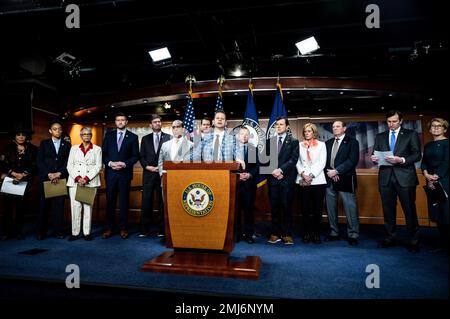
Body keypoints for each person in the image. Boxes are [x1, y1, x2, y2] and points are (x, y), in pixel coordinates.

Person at [371, 110, 422, 252]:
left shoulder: (410, 134)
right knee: (388, 211)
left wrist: (402, 160)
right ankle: (390, 238)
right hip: (385, 177)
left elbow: (417, 155)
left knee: (409, 210)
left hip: (405, 177)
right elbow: (374, 154)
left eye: (394, 121)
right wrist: (373, 158)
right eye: (389, 121)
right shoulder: (380, 136)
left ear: (400, 121)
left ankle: (413, 240)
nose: (391, 124)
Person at [102, 112, 139, 239]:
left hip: (124, 174)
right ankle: (109, 228)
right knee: (110, 202)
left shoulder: (133, 137)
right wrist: (111, 163)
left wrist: (124, 164)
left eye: (123, 120)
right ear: (115, 122)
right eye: (118, 120)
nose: (120, 122)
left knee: (124, 202)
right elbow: (104, 154)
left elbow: (135, 156)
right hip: (111, 173)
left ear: (126, 122)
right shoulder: (109, 135)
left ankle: (123, 228)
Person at [324, 121, 360, 245]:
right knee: (330, 208)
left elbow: (352, 160)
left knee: (350, 208)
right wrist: (331, 172)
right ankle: (334, 232)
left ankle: (353, 234)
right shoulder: (327, 143)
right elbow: (323, 160)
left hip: (345, 178)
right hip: (330, 179)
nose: (335, 128)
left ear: (344, 128)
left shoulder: (352, 142)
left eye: (338, 126)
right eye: (333, 127)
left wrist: (337, 171)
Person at [0, 125, 38, 240]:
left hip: (24, 182)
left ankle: (18, 232)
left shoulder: (33, 149)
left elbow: (35, 165)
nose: (21, 137)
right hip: (10, 180)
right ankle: (7, 232)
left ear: (27, 136)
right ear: (14, 136)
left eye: (23, 134)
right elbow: (2, 164)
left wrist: (23, 174)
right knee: (7, 208)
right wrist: (13, 173)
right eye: (18, 134)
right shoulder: (7, 148)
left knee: (21, 209)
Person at [36, 120, 71, 240]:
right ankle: (41, 232)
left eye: (60, 129)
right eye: (55, 129)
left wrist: (59, 173)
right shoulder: (44, 143)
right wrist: (49, 174)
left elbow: (68, 162)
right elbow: (39, 161)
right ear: (50, 131)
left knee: (59, 207)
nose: (58, 131)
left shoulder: (66, 145)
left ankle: (58, 231)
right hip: (46, 179)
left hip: (60, 178)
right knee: (43, 206)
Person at [267, 116, 299, 245]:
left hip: (286, 179)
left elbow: (293, 159)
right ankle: (275, 233)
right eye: (277, 125)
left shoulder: (293, 141)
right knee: (274, 208)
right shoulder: (269, 141)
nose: (278, 127)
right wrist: (274, 171)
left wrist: (281, 170)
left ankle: (286, 234)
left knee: (286, 208)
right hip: (273, 180)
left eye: (281, 124)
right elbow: (265, 160)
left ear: (287, 127)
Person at [66, 127, 102, 241]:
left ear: (91, 136)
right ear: (81, 136)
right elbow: (69, 165)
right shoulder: (74, 148)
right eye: (84, 134)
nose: (86, 136)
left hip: (90, 182)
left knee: (87, 207)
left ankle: (87, 233)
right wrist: (77, 178)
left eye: (88, 134)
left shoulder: (97, 149)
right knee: (75, 207)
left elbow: (98, 166)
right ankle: (75, 233)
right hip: (75, 182)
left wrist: (86, 178)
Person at [139, 114, 171, 238]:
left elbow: (170, 155)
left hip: (162, 173)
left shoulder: (168, 137)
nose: (157, 123)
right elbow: (141, 156)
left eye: (159, 122)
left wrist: (161, 167)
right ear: (150, 125)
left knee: (161, 202)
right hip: (148, 173)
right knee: (146, 201)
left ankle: (161, 230)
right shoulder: (145, 139)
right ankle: (144, 229)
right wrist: (147, 166)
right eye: (155, 122)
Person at [296, 123, 327, 244]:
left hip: (318, 181)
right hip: (303, 180)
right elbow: (297, 162)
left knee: (317, 210)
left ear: (314, 132)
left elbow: (322, 163)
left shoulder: (321, 145)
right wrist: (303, 174)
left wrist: (311, 175)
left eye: (309, 131)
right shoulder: (299, 145)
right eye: (305, 131)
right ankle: (306, 233)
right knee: (305, 210)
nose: (307, 133)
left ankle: (316, 234)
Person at [421, 118, 449, 253]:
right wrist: (427, 175)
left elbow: (446, 162)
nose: (436, 128)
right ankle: (443, 244)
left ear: (445, 129)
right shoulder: (428, 145)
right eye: (433, 126)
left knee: (446, 212)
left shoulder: (447, 143)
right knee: (437, 212)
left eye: (439, 126)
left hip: (445, 181)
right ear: (430, 129)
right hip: (431, 181)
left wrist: (437, 177)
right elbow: (424, 162)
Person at [235, 126, 259, 244]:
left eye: (246, 134)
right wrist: (237, 175)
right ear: (238, 136)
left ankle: (248, 234)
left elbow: (257, 167)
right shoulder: (232, 150)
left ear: (249, 136)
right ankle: (237, 235)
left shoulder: (253, 149)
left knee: (248, 211)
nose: (244, 136)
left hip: (249, 185)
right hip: (235, 184)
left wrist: (249, 174)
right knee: (236, 210)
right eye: (242, 134)